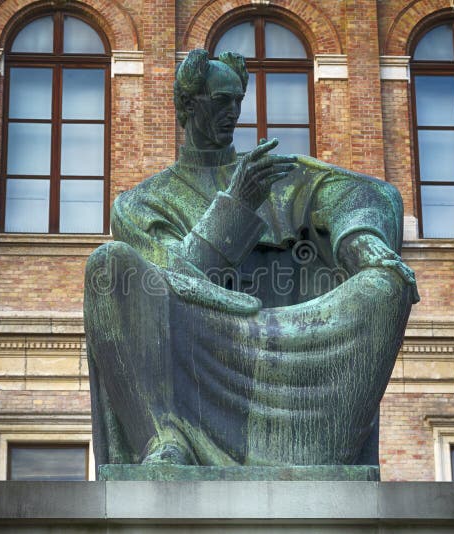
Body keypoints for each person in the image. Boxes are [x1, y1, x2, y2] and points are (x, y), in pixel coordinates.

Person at [84, 49, 419, 470]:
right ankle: (165, 439)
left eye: (237, 101)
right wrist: (236, 205)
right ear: (187, 105)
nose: (232, 112)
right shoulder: (139, 204)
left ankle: (316, 449)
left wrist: (358, 237)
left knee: (385, 285)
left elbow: (370, 194)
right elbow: (174, 284)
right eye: (219, 101)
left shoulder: (271, 174)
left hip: (292, 342)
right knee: (108, 264)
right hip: (193, 350)